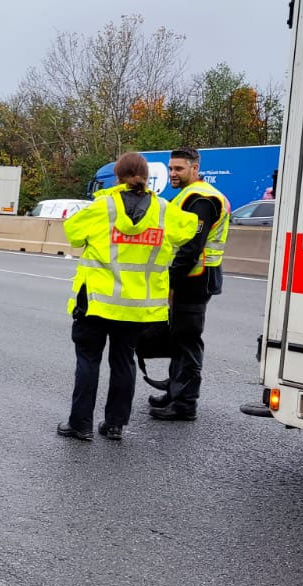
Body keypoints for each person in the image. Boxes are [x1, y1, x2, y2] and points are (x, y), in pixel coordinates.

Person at [58, 153, 198, 441]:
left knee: (88, 362)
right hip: (137, 308)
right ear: (148, 177)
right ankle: (115, 425)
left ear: (117, 176)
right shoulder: (163, 210)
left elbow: (72, 231)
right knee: (124, 362)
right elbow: (191, 228)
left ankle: (80, 424)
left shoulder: (103, 207)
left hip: (96, 303)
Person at [149, 148, 229, 421]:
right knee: (179, 337)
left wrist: (170, 281)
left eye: (179, 169)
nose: (173, 173)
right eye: (171, 168)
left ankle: (185, 403)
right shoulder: (188, 196)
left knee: (187, 340)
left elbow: (192, 247)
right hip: (191, 277)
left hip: (194, 278)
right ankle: (174, 392)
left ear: (195, 168)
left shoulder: (203, 199)